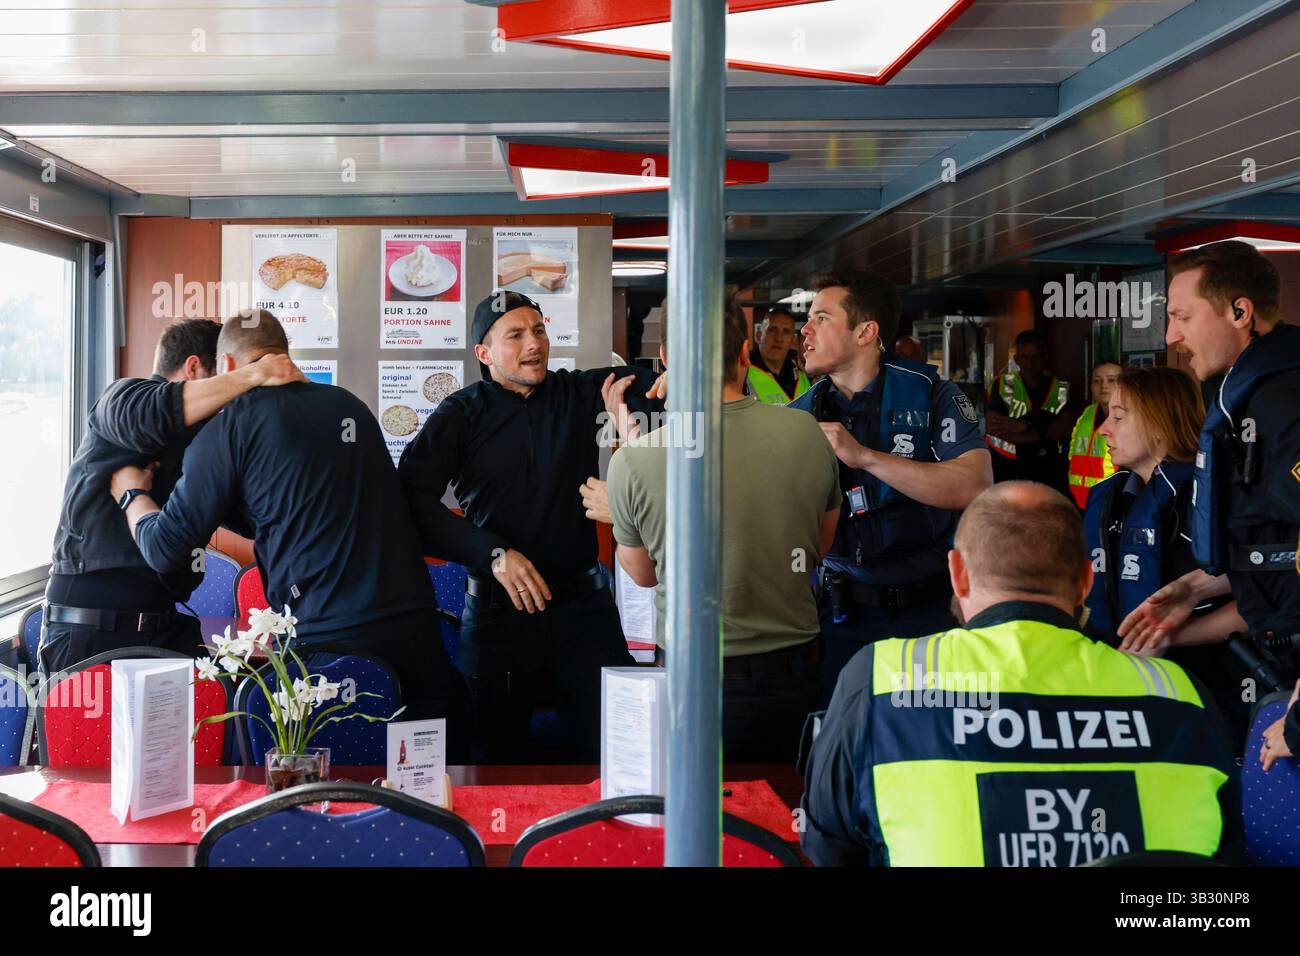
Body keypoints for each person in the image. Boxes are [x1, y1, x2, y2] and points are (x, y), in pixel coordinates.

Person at [801, 482, 1238, 867]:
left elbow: (828, 846)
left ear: (958, 574)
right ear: (1085, 580)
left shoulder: (883, 679)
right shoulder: (1177, 692)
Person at [110, 311, 460, 730]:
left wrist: (132, 493)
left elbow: (164, 550)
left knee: (333, 786)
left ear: (227, 367)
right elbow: (298, 512)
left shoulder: (228, 430)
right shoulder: (351, 408)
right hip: (416, 630)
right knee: (430, 783)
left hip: (332, 647)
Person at [397, 290, 665, 763]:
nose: (533, 343)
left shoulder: (582, 392)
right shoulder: (460, 414)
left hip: (585, 611)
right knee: (486, 759)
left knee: (621, 751)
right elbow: (411, 504)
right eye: (515, 335)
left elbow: (667, 393)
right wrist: (492, 554)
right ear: (483, 353)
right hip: (498, 617)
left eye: (538, 330)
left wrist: (676, 379)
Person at [593, 297, 840, 761]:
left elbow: (644, 574)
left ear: (665, 358)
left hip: (693, 679)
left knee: (696, 823)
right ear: (745, 353)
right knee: (784, 815)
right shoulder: (807, 432)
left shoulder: (636, 459)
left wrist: (632, 450)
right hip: (796, 666)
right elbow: (820, 546)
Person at [1112, 241, 1299, 769]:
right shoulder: (1250, 399)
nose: (1171, 337)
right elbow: (1279, 542)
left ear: (1240, 313)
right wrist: (1193, 588)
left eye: (1182, 317)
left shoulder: (1286, 406)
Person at [40, 319, 304, 675]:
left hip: (164, 628)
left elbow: (250, 517)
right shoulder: (122, 398)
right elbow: (154, 414)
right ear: (194, 367)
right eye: (222, 381)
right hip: (89, 632)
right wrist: (252, 375)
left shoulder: (203, 444)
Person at [789, 271, 992, 698]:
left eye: (821, 318)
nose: (804, 330)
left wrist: (864, 457)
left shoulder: (934, 395)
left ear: (865, 332)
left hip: (930, 612)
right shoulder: (798, 415)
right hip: (840, 615)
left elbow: (973, 484)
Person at [1082, 365, 1249, 739]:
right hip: (1125, 689)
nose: (1103, 429)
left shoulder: (1210, 500)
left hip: (1208, 692)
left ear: (1160, 422)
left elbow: (1262, 603)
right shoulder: (1109, 498)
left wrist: (1170, 636)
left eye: (1118, 417)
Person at [985, 330, 1072, 492]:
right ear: (1017, 359)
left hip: (1050, 471)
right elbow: (994, 428)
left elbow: (1066, 430)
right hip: (1008, 470)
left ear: (1044, 357)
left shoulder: (1061, 389)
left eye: (1035, 357)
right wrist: (1045, 431)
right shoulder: (1003, 384)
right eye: (1025, 357)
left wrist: (1024, 426)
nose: (1030, 363)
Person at [1066, 360, 1120, 508]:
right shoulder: (1087, 413)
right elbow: (1073, 450)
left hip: (1111, 499)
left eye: (1111, 380)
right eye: (1097, 381)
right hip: (1079, 497)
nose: (1103, 385)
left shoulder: (1128, 417)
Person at [746, 306, 810, 404]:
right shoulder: (743, 371)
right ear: (758, 336)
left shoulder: (801, 371)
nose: (779, 338)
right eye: (772, 330)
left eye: (786, 332)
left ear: (792, 341)